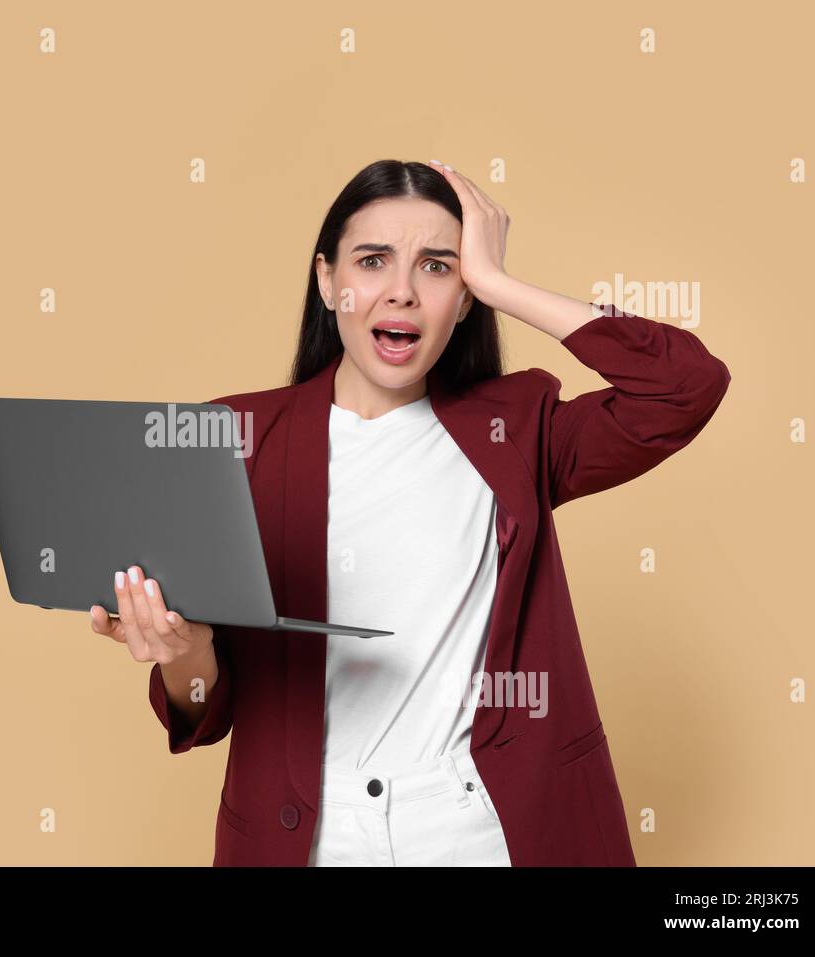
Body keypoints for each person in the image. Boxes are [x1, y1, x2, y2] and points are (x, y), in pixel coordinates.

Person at [88, 159, 730, 866]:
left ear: (463, 299)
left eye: (436, 266)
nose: (401, 292)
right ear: (328, 280)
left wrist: (502, 286)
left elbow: (685, 387)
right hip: (310, 839)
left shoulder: (515, 429)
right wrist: (184, 653)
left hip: (483, 830)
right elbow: (204, 704)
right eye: (372, 261)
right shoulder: (234, 439)